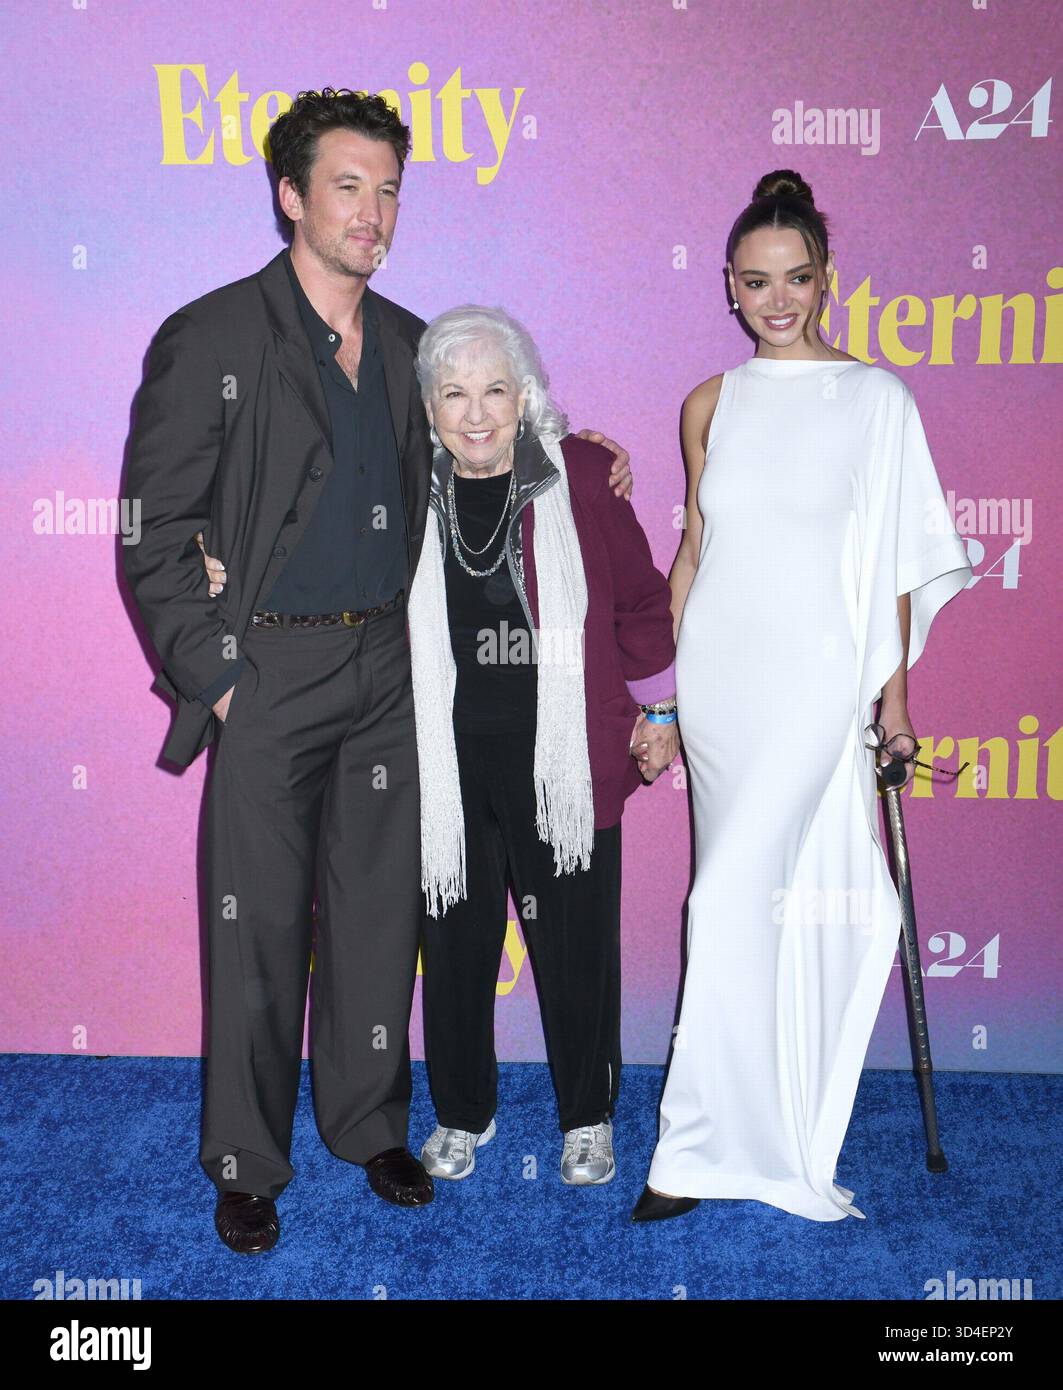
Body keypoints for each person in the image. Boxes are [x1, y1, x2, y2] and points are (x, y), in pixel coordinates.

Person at [122, 87, 632, 1255]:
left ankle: (366, 1126)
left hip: (393, 672)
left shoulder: (408, 343)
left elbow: (485, 431)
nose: (373, 209)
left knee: (375, 918)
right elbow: (152, 525)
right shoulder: (212, 336)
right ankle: (248, 1160)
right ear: (291, 196)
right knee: (253, 928)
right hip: (270, 671)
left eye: (390, 186)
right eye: (347, 185)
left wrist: (583, 449)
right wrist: (220, 671)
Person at [632, 169, 972, 1224]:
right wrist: (661, 703)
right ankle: (737, 1128)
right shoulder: (708, 401)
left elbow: (895, 572)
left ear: (826, 280)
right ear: (728, 288)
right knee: (738, 906)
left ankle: (692, 1154)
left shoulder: (877, 401)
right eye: (753, 281)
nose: (775, 299)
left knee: (722, 901)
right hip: (724, 684)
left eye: (796, 278)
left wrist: (894, 704)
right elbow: (695, 551)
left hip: (816, 682)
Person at [408, 306, 677, 1185]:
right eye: (454, 393)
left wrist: (657, 711)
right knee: (452, 947)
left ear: (525, 397)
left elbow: (643, 608)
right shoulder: (404, 488)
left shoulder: (586, 477)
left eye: (494, 389)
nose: (476, 413)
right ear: (429, 405)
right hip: (445, 761)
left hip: (565, 760)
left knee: (575, 949)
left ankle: (587, 1120)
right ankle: (460, 1113)